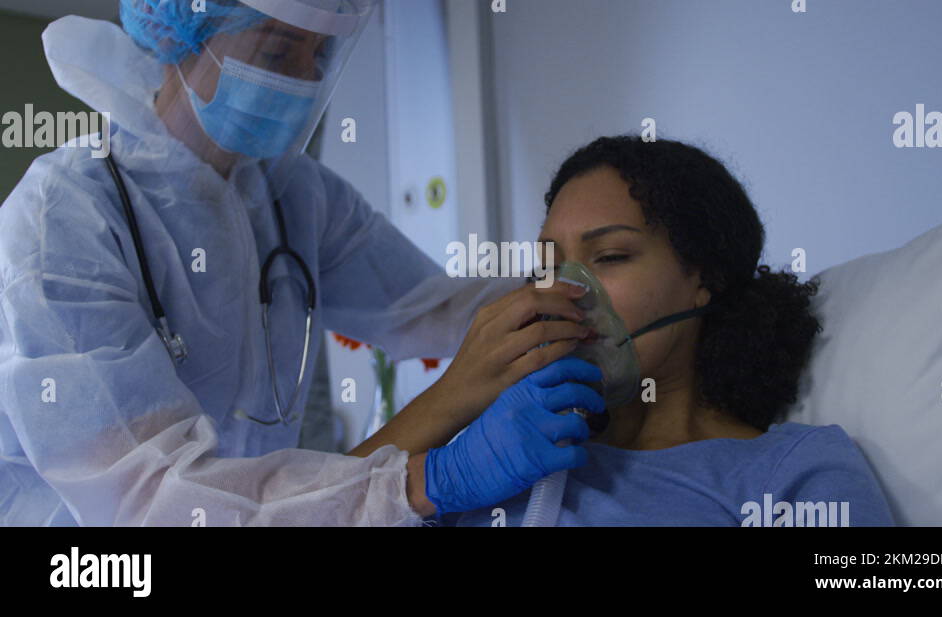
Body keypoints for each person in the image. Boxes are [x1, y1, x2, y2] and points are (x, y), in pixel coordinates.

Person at [0, 0, 598, 526]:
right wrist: (425, 481)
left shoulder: (294, 194)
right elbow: (147, 502)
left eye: (319, 55)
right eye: (279, 48)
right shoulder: (66, 217)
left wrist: (583, 291)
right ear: (187, 33)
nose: (303, 78)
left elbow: (429, 307)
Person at [451, 136, 896, 526]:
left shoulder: (788, 472)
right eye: (547, 267)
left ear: (704, 279)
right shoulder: (497, 456)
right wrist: (451, 408)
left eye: (609, 256)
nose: (564, 289)